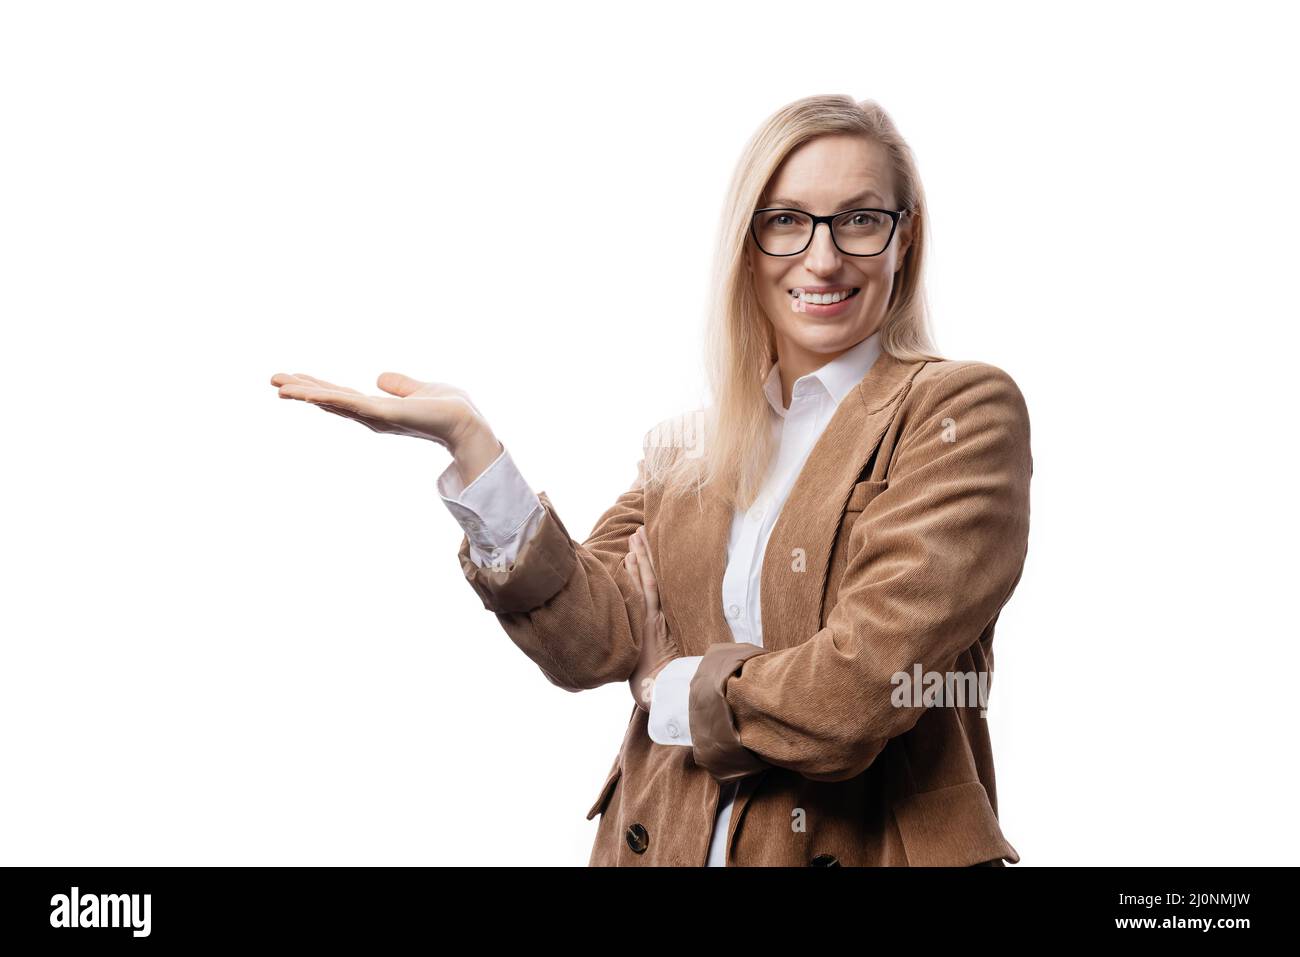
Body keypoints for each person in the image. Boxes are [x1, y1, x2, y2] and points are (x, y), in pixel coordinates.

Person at [270, 94, 1032, 866]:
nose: (824, 257)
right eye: (787, 220)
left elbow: (861, 686)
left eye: (860, 220)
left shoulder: (959, 411)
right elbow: (593, 638)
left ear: (905, 239)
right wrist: (476, 449)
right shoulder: (690, 447)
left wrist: (671, 688)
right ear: (748, 243)